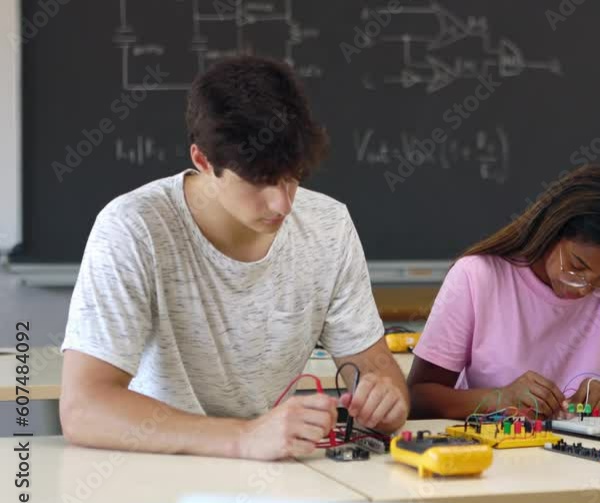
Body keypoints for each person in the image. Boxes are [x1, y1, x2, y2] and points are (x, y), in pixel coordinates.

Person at [59, 56, 409, 460]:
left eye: (293, 176)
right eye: (259, 180)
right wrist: (243, 438)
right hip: (157, 469)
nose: (282, 203)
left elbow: (375, 365)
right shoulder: (133, 228)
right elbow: (84, 408)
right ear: (203, 161)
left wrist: (387, 396)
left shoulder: (329, 224)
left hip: (272, 469)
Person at [407, 164, 600, 420]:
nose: (585, 287)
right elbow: (419, 397)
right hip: (496, 455)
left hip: (587, 455)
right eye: (577, 266)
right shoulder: (477, 276)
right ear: (554, 229)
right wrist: (500, 398)